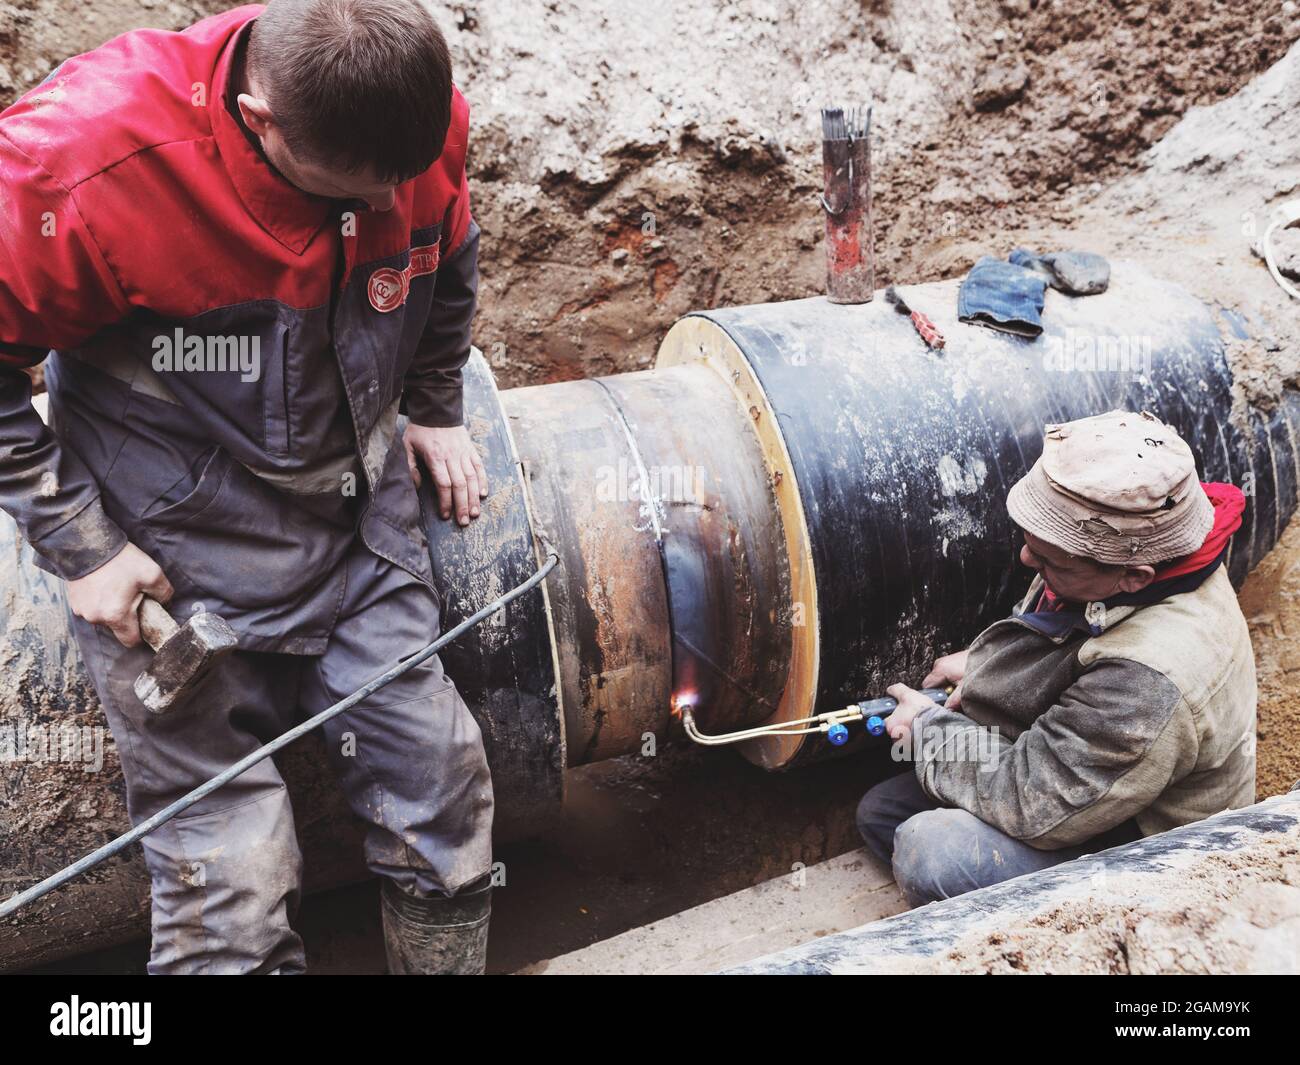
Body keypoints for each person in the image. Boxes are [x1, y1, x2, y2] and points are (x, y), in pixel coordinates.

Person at [0, 0, 495, 973]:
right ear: (260, 119)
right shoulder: (80, 164)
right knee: (227, 879)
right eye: (356, 191)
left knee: (440, 787)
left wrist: (435, 399)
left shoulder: (408, 120)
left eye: (406, 177)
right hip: (172, 552)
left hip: (356, 521)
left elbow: (448, 257)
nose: (394, 200)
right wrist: (82, 546)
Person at [857, 410, 1256, 906]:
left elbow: (1031, 801)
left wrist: (928, 729)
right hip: (1101, 771)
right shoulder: (1132, 548)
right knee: (882, 813)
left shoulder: (1148, 680)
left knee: (932, 852)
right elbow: (1077, 633)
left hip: (1154, 851)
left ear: (1135, 576)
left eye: (1049, 561)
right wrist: (991, 665)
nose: (1029, 561)